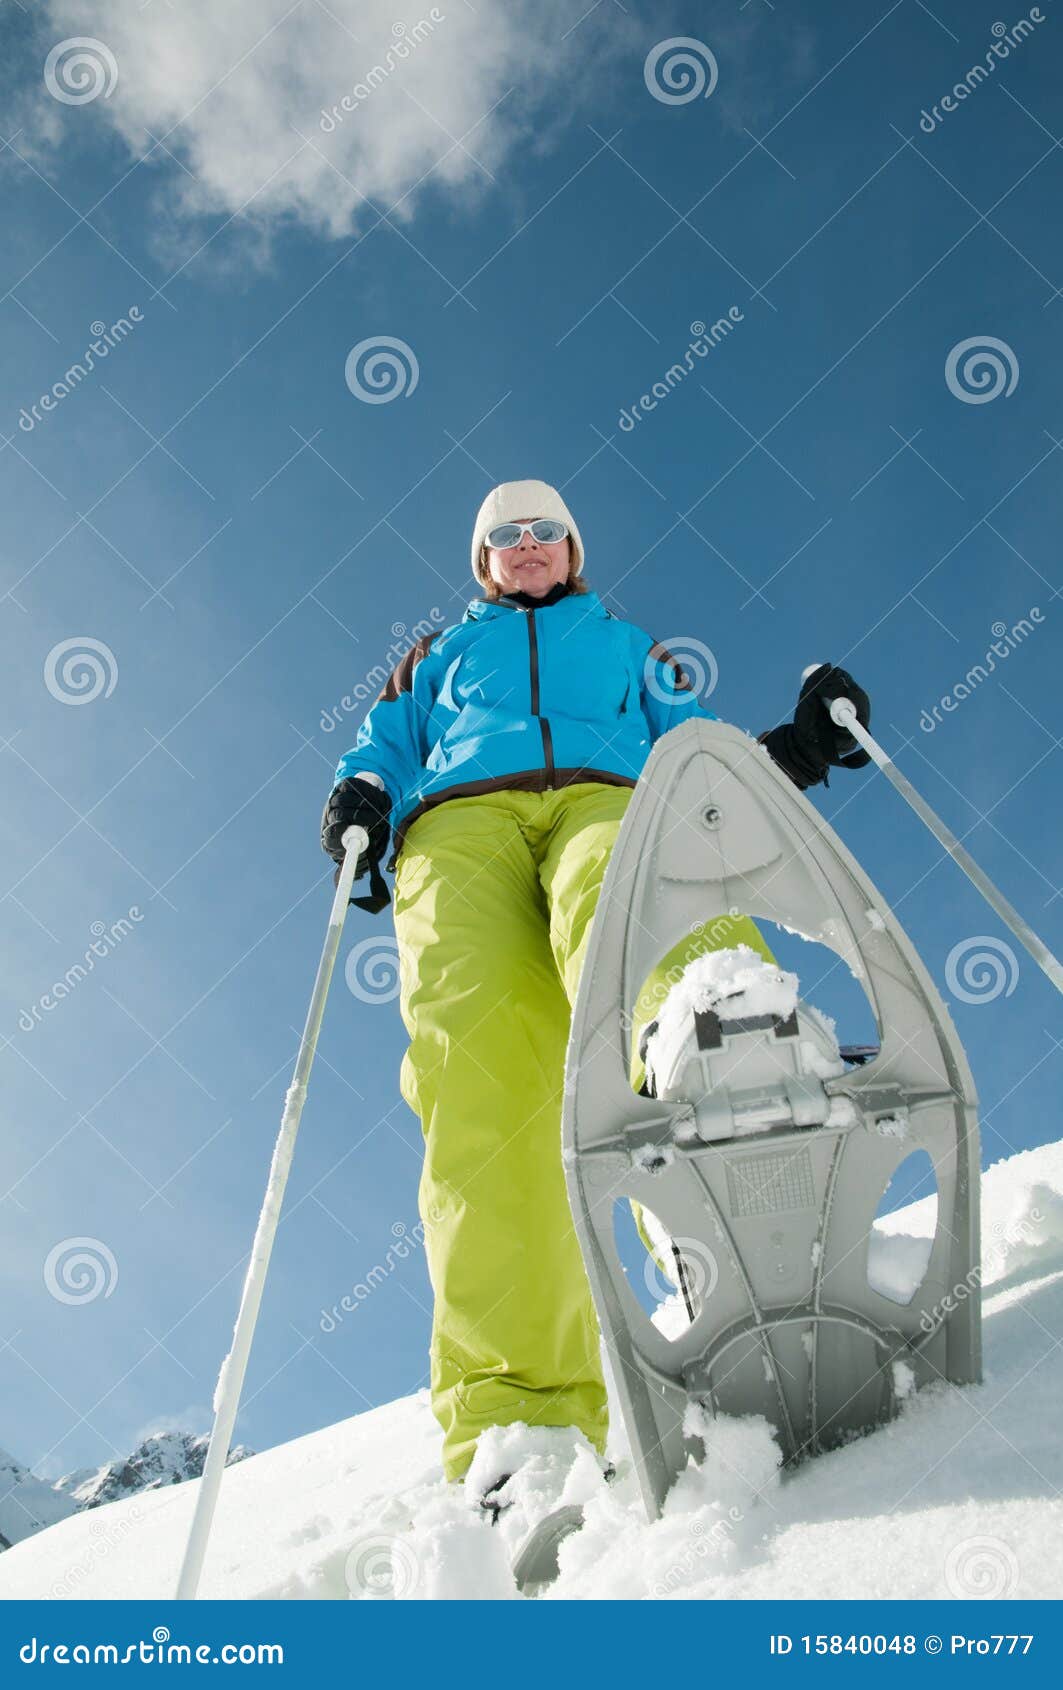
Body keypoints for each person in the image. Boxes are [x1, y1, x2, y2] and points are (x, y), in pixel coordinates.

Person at [321, 479, 870, 1494]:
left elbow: (697, 753)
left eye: (545, 531)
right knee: (489, 1097)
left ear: (572, 551)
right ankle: (521, 1429)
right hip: (457, 828)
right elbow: (386, 741)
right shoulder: (435, 654)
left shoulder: (626, 644)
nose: (524, 545)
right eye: (502, 536)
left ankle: (715, 1035)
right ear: (483, 562)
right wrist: (363, 795)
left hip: (609, 793)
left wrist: (789, 752)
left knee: (627, 885)